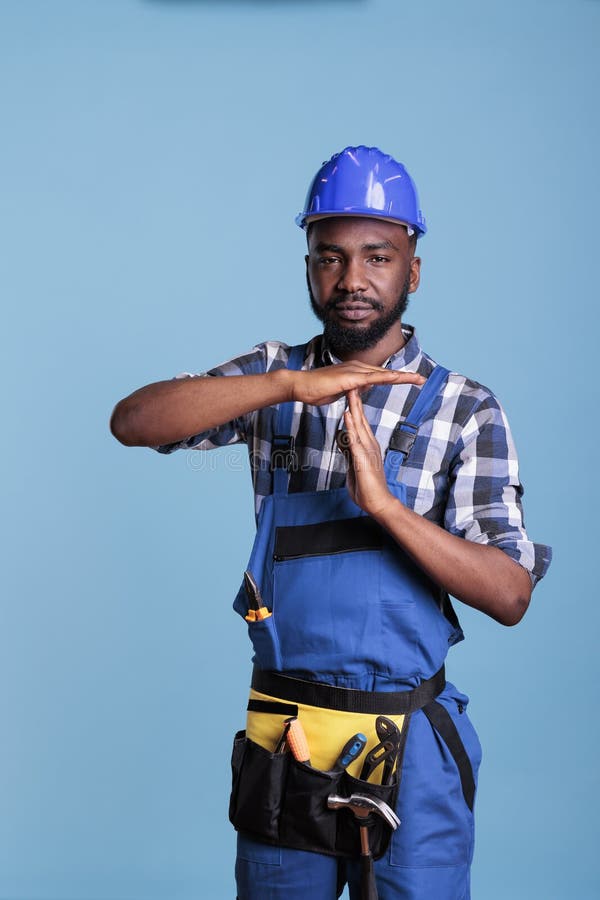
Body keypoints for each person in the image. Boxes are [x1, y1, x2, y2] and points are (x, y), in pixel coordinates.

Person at [110, 146, 551, 900]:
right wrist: (286, 384)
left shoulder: (466, 408)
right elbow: (134, 422)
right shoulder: (271, 379)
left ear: (413, 269)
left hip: (410, 748)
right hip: (286, 739)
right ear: (309, 266)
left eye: (377, 257)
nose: (352, 280)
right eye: (329, 258)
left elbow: (510, 594)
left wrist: (383, 506)